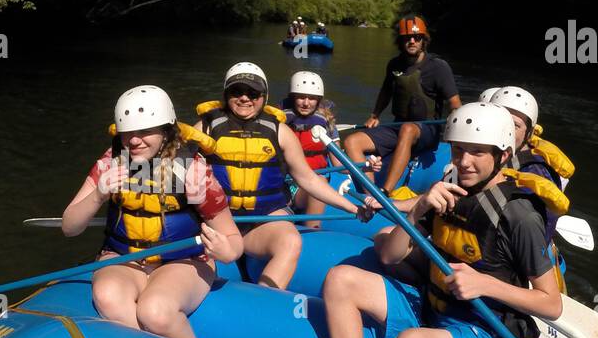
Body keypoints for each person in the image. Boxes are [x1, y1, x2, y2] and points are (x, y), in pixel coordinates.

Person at [322, 102, 563, 338]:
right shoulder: (447, 188)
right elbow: (390, 257)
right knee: (340, 280)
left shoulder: (520, 216)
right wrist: (417, 212)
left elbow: (552, 305)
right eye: (458, 150)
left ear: (502, 155)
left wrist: (485, 284)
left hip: (481, 330)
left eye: (477, 152)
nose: (464, 162)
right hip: (431, 305)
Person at [61, 85, 244, 338]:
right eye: (128, 133)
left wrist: (226, 251)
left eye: (145, 132)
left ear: (166, 132)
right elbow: (70, 227)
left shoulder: (192, 171)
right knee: (108, 297)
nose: (134, 141)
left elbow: (233, 240)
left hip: (183, 261)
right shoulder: (109, 164)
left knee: (155, 311)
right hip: (125, 257)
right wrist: (99, 194)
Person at [194, 63, 363, 289]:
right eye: (237, 92)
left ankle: (266, 299)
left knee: (290, 241)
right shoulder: (205, 127)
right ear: (226, 95)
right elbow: (182, 176)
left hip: (260, 222)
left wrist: (352, 208)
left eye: (253, 93)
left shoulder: (280, 132)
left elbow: (308, 178)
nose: (245, 98)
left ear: (264, 96)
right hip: (220, 221)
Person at [343, 15, 461, 195]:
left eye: (417, 37)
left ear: (424, 40)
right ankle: (370, 194)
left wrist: (455, 136)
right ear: (400, 41)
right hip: (397, 126)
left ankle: (385, 191)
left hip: (427, 130)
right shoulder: (394, 64)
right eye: (407, 38)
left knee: (408, 129)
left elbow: (455, 105)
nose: (412, 41)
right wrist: (375, 115)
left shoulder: (438, 67)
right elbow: (385, 92)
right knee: (352, 142)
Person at [479, 86, 574, 244]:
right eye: (501, 121)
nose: (506, 130)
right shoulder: (476, 155)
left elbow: (531, 241)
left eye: (515, 126)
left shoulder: (536, 172)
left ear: (529, 133)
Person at [281, 71, 338, 226]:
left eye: (312, 98)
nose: (306, 103)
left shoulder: (327, 123)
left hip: (309, 186)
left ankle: (313, 232)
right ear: (292, 97)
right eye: (301, 97)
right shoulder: (278, 120)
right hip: (283, 184)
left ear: (318, 100)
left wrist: (368, 166)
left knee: (319, 182)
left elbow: (341, 166)